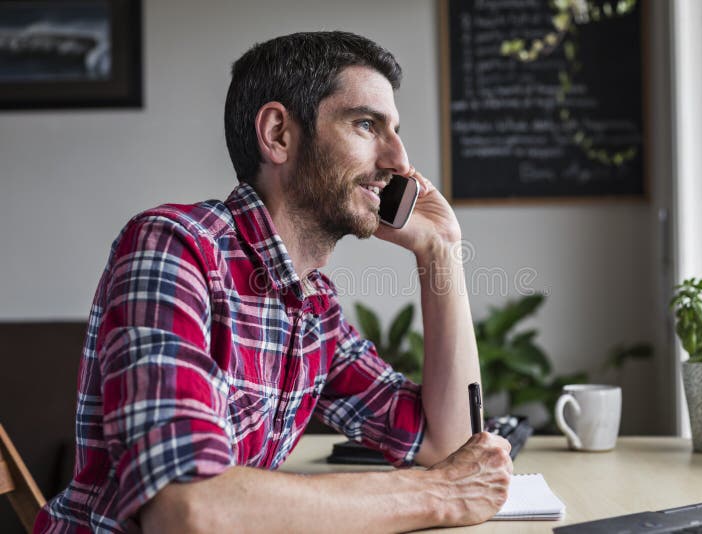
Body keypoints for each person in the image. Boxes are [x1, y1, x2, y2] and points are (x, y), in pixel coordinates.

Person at [35, 31, 512, 533]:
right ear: (279, 134)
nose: (399, 162)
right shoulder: (175, 248)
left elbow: (446, 441)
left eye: (394, 130)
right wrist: (437, 494)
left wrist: (441, 251)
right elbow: (189, 508)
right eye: (367, 124)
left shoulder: (313, 308)